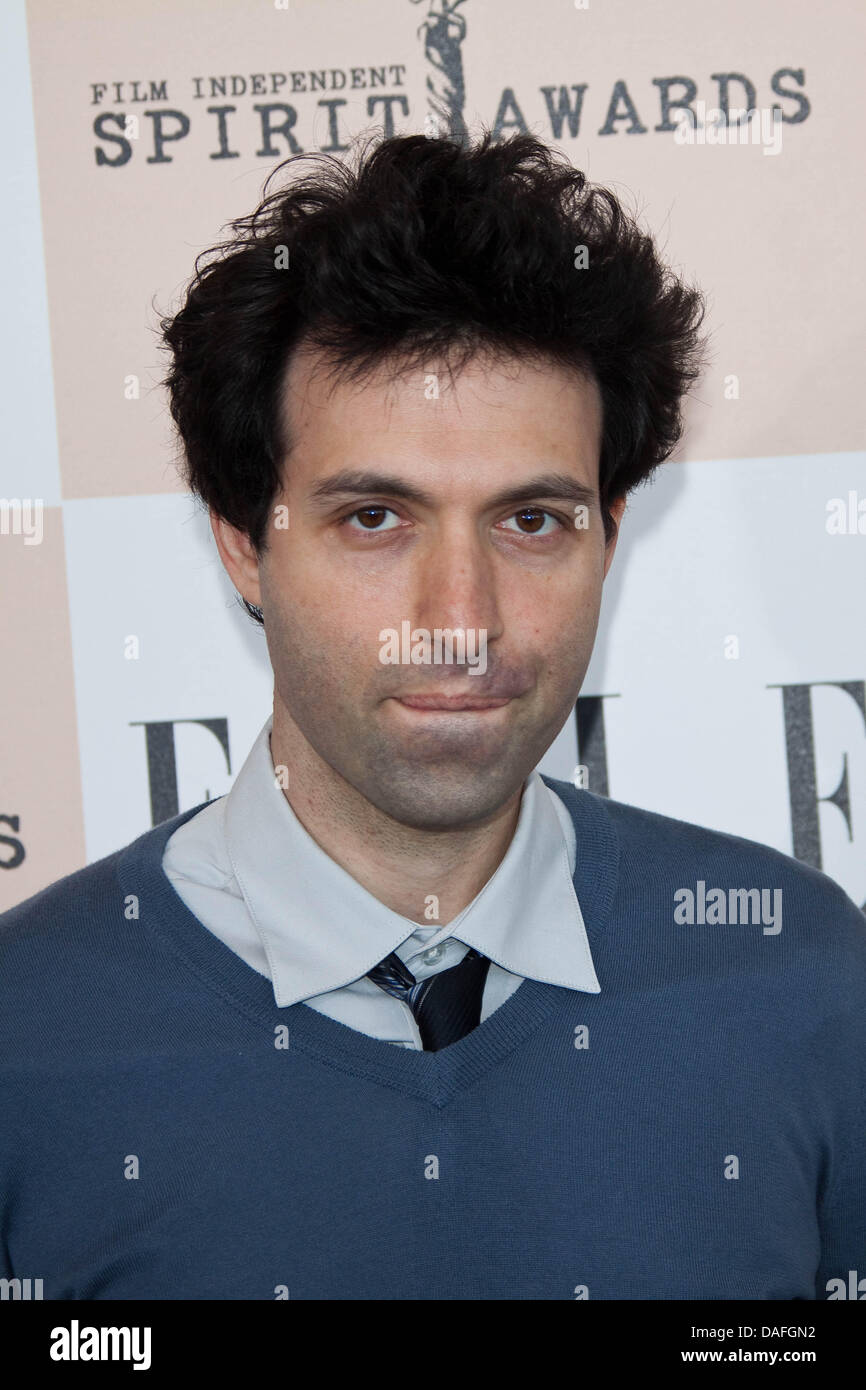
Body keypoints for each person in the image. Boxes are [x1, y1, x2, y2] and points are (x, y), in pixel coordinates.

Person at [1, 129, 863, 1302]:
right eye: (373, 518)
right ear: (244, 545)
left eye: (530, 521)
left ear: (608, 533)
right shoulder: (28, 1036)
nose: (460, 620)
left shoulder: (802, 975)